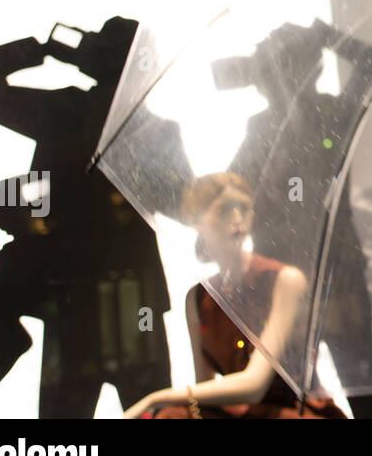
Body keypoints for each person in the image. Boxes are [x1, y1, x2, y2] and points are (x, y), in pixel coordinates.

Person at [123, 173, 346, 418]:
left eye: (244, 208)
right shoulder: (198, 300)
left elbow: (254, 385)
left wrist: (155, 398)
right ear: (196, 221)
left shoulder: (284, 280)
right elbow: (202, 391)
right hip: (241, 413)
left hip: (292, 412)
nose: (238, 219)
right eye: (224, 210)